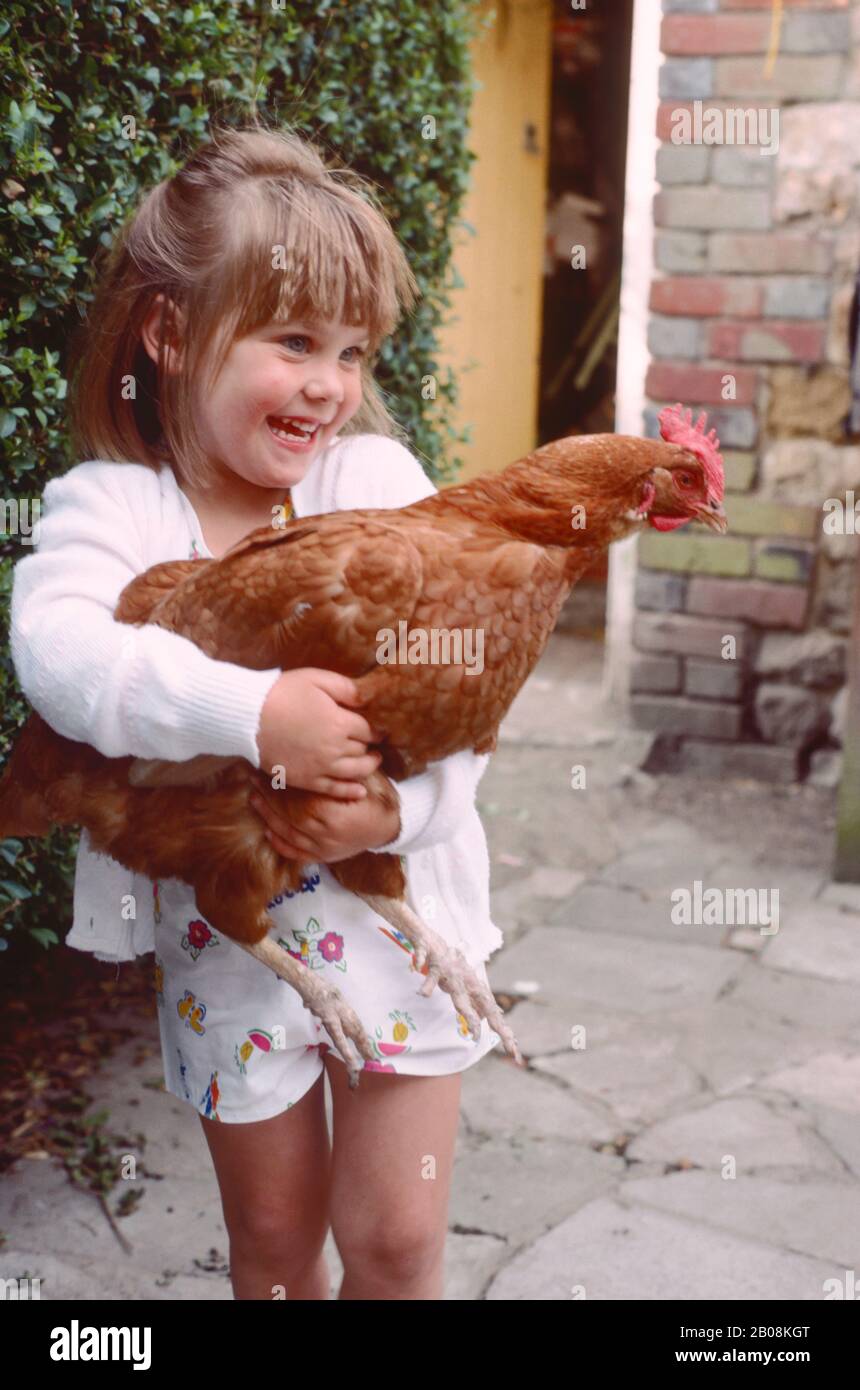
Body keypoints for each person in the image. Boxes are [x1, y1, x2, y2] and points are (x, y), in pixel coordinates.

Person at [9, 119, 506, 1301]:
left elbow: (464, 690)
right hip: (235, 949)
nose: (331, 384)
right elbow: (62, 654)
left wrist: (396, 809)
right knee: (277, 1254)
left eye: (353, 348)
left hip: (400, 925)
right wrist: (254, 712)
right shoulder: (114, 509)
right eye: (294, 341)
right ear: (171, 333)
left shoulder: (374, 487)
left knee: (394, 1243)